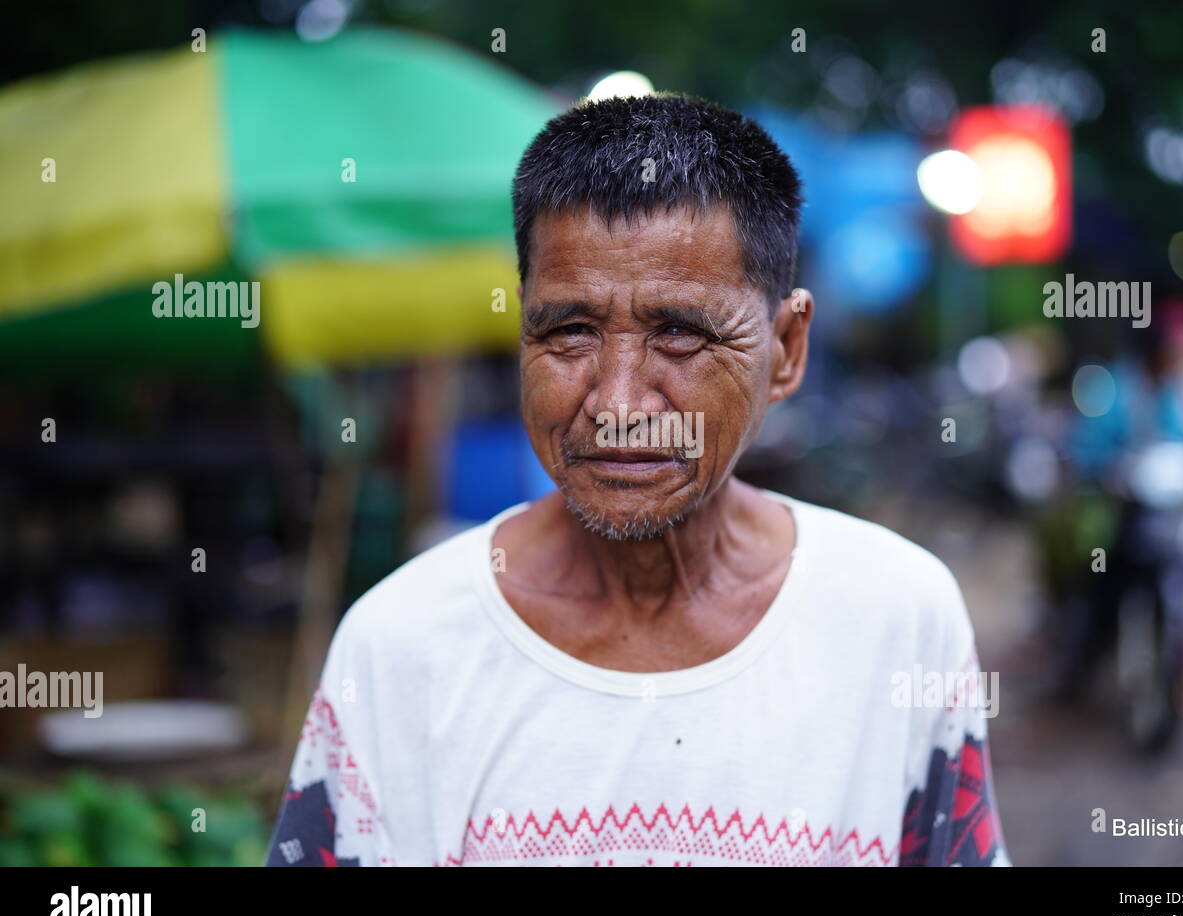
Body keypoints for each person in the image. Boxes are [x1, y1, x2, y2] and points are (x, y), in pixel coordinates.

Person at [266, 94, 1009, 867]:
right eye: (569, 332)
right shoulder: (400, 647)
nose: (617, 405)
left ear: (786, 349)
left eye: (681, 334)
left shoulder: (898, 620)